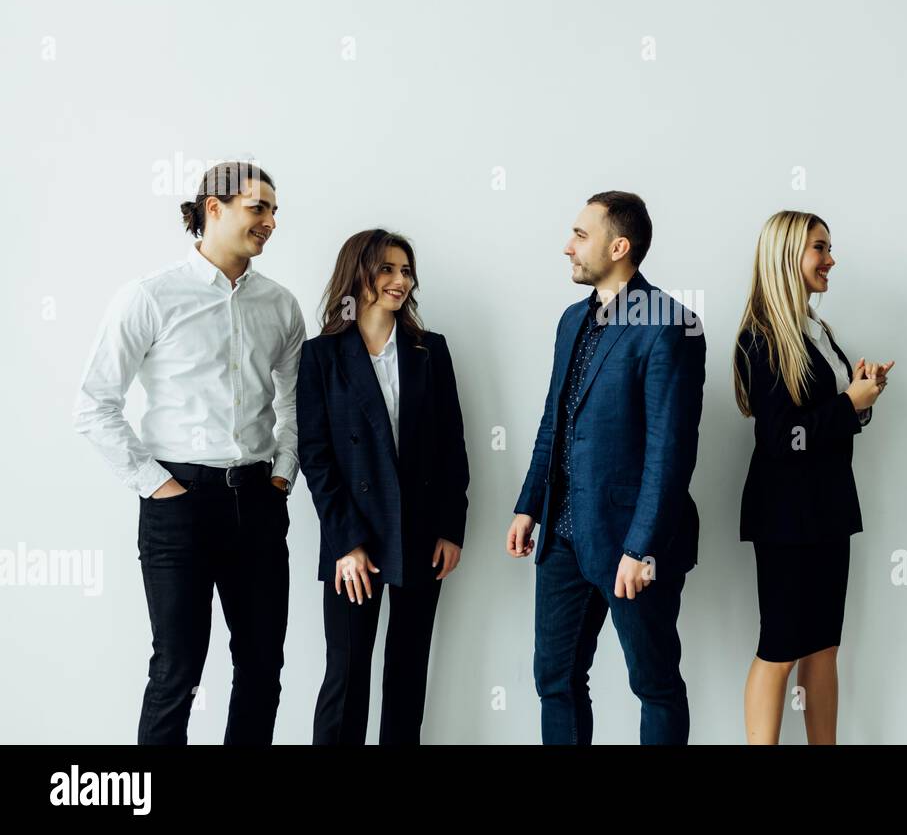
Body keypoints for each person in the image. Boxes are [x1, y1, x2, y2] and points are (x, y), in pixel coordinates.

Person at [74, 161, 304, 744]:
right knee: (176, 672)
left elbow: (296, 405)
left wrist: (280, 478)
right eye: (259, 208)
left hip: (257, 499)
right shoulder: (149, 297)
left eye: (275, 210)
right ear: (214, 208)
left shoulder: (280, 305)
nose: (271, 221)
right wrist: (158, 485)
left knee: (262, 668)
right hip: (179, 504)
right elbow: (95, 404)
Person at [506, 191, 706, 745]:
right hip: (562, 536)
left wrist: (641, 547)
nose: (567, 246)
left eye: (580, 235)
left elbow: (671, 452)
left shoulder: (671, 325)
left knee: (655, 683)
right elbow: (556, 419)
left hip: (630, 543)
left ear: (619, 246)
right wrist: (528, 505)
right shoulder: (572, 320)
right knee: (556, 679)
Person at [297, 229, 470, 745]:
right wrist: (345, 545)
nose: (400, 281)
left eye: (406, 271)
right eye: (388, 269)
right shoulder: (322, 356)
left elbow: (452, 449)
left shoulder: (429, 350)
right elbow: (316, 458)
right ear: (360, 274)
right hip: (353, 539)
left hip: (421, 533)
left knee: (408, 671)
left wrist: (450, 529)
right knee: (346, 676)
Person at [733, 210, 891, 744]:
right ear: (786, 256)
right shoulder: (762, 338)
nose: (831, 259)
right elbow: (782, 439)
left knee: (824, 647)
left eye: (829, 248)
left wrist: (860, 399)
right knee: (779, 649)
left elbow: (823, 420)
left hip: (828, 509)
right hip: (785, 517)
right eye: (819, 248)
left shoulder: (816, 329)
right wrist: (849, 404)